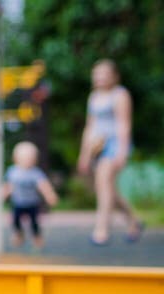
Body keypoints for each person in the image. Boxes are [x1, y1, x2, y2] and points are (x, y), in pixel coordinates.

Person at [76, 59, 144, 245]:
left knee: (103, 183)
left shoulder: (120, 95)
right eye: (97, 74)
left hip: (114, 144)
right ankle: (134, 221)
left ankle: (102, 229)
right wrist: (84, 154)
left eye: (104, 74)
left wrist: (122, 151)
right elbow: (90, 128)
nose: (100, 78)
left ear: (114, 76)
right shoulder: (94, 97)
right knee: (109, 189)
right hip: (97, 146)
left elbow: (124, 124)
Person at [2, 142, 58, 250]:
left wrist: (50, 195)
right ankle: (18, 234)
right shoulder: (13, 172)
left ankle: (37, 237)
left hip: (32, 203)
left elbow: (43, 185)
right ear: (16, 159)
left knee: (34, 222)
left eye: (30, 158)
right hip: (18, 202)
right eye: (24, 158)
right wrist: (3, 194)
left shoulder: (35, 173)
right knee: (15, 221)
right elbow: (8, 185)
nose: (27, 161)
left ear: (35, 159)